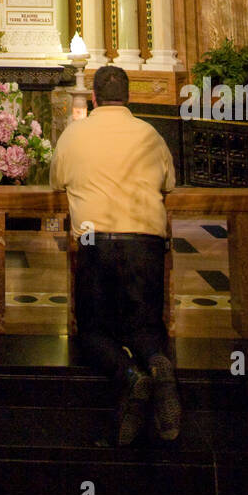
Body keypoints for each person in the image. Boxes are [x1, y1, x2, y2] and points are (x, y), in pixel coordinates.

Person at [50, 64, 179, 445]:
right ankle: (158, 363)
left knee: (92, 328)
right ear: (130, 97)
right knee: (146, 326)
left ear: (92, 98)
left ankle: (130, 376)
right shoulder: (150, 134)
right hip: (145, 239)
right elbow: (168, 182)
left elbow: (56, 180)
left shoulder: (75, 134)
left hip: (94, 239)